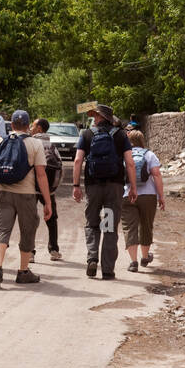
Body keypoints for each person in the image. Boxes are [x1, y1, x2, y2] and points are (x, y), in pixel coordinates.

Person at [0, 110, 52, 288]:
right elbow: (41, 175)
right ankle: (23, 271)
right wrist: (48, 202)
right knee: (27, 230)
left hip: (2, 192)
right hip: (26, 195)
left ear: (12, 125)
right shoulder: (35, 144)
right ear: (28, 125)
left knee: (1, 230)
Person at [72, 103, 136, 280]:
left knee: (92, 224)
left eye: (95, 116)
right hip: (113, 188)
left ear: (101, 117)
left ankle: (92, 257)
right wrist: (132, 187)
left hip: (93, 187)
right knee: (109, 226)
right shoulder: (121, 135)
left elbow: (78, 161)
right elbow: (130, 163)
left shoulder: (86, 134)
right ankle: (107, 269)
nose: (93, 118)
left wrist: (76, 185)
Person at [121, 129, 164, 272]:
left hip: (127, 194)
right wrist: (161, 196)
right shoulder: (149, 154)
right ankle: (145, 257)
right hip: (148, 195)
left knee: (129, 227)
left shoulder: (124, 155)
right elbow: (156, 175)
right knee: (146, 225)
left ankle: (133, 262)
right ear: (142, 141)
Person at [32, 117, 64, 260]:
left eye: (33, 126)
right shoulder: (52, 147)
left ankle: (30, 252)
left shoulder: (31, 144)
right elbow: (60, 168)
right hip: (49, 189)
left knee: (30, 219)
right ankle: (54, 250)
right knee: (52, 218)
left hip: (32, 187)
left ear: (39, 128)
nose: (31, 129)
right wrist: (52, 189)